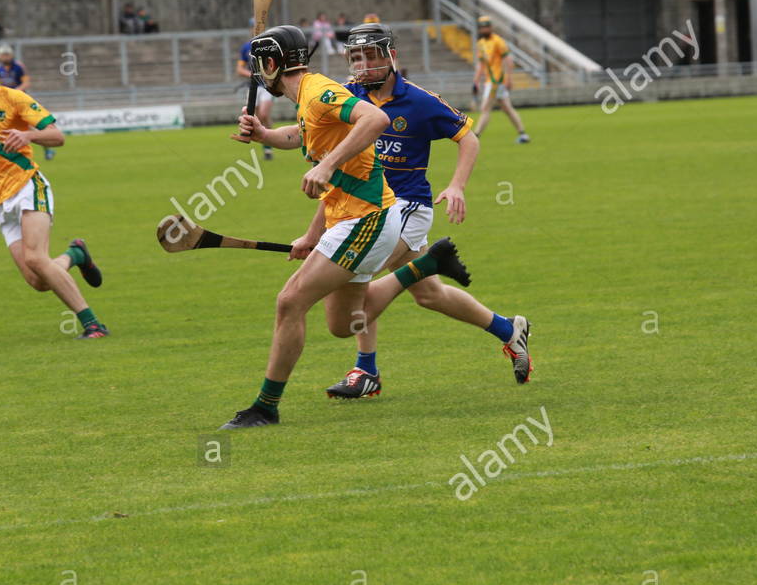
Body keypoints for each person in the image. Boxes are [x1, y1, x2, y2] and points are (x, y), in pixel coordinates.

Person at [222, 25, 471, 428]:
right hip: (350, 217)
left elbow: (374, 119)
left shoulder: (320, 92)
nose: (257, 75)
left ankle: (265, 407)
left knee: (289, 302)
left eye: (258, 67)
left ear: (270, 64)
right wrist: (266, 135)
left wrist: (327, 164)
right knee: (344, 324)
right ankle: (423, 265)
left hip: (366, 218)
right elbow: (304, 134)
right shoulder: (308, 97)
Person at [325, 23, 531, 398]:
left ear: (391, 58)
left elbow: (468, 138)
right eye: (356, 56)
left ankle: (365, 370)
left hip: (407, 207)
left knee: (356, 272)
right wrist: (266, 134)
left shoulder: (420, 101)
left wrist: (456, 186)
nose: (362, 64)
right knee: (429, 295)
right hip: (366, 207)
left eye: (371, 55)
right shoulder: (348, 94)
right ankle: (509, 329)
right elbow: (305, 127)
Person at [0, 39, 107, 338]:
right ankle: (76, 254)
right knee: (38, 280)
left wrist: (28, 135)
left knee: (35, 258)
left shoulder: (14, 99)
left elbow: (57, 136)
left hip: (28, 185)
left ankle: (93, 324)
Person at [473, 16, 530, 143]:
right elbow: (481, 65)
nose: (484, 29)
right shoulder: (481, 44)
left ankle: (475, 136)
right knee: (507, 108)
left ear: (491, 27)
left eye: (487, 26)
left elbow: (508, 60)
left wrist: (509, 79)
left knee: (485, 108)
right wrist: (476, 81)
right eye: (482, 27)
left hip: (497, 81)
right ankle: (522, 133)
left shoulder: (498, 41)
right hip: (490, 81)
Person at [0, 43, 54, 160]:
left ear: (11, 55)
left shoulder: (19, 66)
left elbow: (26, 83)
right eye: (2, 55)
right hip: (7, 103)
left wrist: (15, 92)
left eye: (7, 54)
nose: (5, 57)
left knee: (32, 128)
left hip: (21, 102)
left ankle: (48, 148)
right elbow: (1, 83)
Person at [236, 34, 273, 161]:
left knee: (263, 115)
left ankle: (269, 145)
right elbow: (240, 69)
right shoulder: (246, 47)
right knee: (256, 118)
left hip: (266, 86)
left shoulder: (268, 46)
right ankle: (266, 148)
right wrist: (252, 75)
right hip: (252, 87)